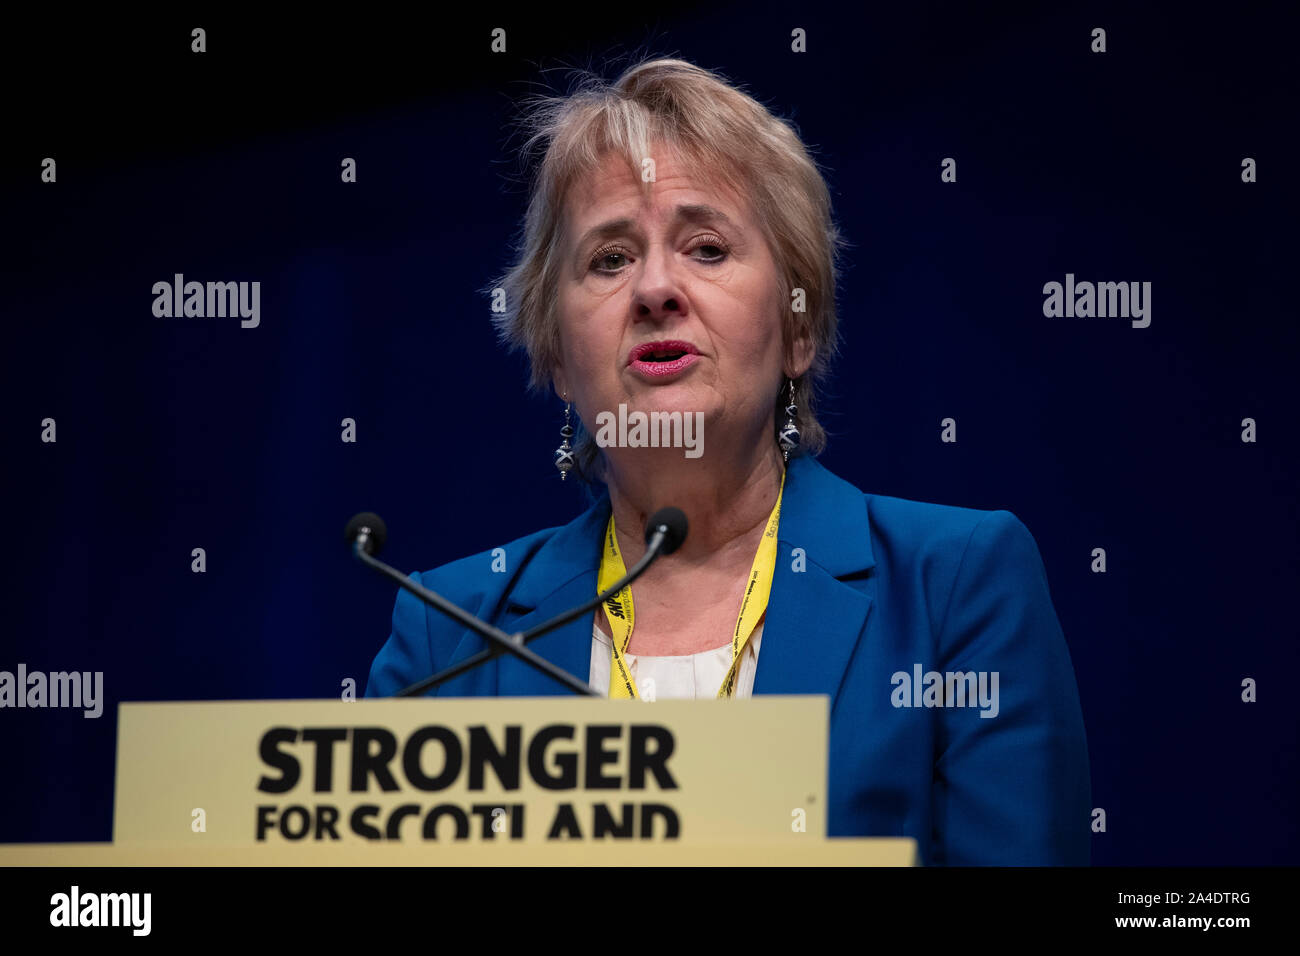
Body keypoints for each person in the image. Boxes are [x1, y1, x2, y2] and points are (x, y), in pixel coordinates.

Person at [365, 57, 1090, 865]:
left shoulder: (953, 587)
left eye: (706, 248)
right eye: (608, 259)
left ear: (798, 331)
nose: (654, 290)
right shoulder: (451, 632)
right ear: (557, 356)